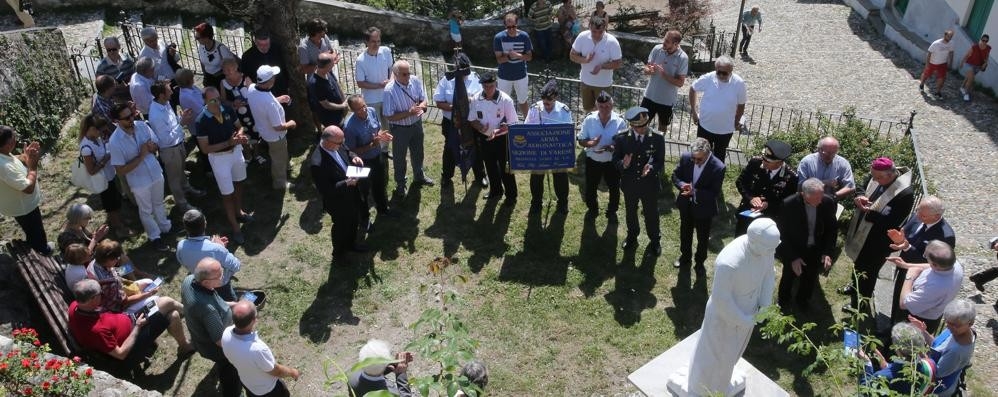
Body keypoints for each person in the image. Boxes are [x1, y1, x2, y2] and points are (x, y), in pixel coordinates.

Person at [680, 219, 780, 396]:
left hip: (748, 312)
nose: (772, 252)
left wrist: (765, 306)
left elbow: (768, 275)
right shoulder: (729, 262)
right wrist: (744, 320)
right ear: (754, 242)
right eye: (769, 248)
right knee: (711, 355)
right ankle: (698, 389)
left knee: (731, 354)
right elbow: (721, 299)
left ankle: (720, 385)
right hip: (724, 316)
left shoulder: (766, 248)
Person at [842, 157, 915, 313]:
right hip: (863, 231)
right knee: (858, 265)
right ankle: (854, 286)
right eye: (873, 176)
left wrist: (870, 212)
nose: (874, 180)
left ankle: (860, 305)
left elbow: (893, 221)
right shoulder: (877, 174)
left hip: (878, 242)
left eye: (878, 178)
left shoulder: (905, 193)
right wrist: (860, 196)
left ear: (891, 175)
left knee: (868, 272)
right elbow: (863, 184)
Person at [68, 279, 193, 363]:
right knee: (167, 302)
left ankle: (184, 346)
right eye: (101, 293)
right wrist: (138, 326)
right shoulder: (96, 331)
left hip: (131, 319)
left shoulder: (75, 305)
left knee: (173, 315)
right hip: (133, 341)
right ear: (93, 298)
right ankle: (194, 314)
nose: (103, 295)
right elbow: (121, 354)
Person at [107, 103, 173, 251]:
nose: (131, 119)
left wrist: (153, 147)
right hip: (139, 181)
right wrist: (142, 155)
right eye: (126, 118)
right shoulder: (115, 142)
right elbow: (121, 170)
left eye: (131, 115)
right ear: (116, 121)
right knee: (146, 210)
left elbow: (156, 144)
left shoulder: (142, 126)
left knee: (159, 202)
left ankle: (165, 226)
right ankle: (155, 236)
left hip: (155, 172)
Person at [196, 87, 253, 243]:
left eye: (218, 99)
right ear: (205, 101)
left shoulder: (227, 108)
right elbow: (205, 148)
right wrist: (228, 143)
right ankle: (235, 227)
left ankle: (239, 212)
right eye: (212, 100)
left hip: (235, 152)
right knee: (227, 194)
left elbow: (239, 126)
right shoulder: (201, 120)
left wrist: (239, 135)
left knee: (240, 182)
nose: (216, 103)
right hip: (219, 159)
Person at [887, 196, 956, 323]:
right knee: (897, 298)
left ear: (936, 216)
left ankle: (897, 334)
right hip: (904, 267)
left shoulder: (946, 237)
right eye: (918, 211)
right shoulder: (917, 216)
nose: (918, 216)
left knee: (907, 310)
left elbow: (932, 264)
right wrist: (900, 241)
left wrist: (907, 247)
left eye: (923, 215)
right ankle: (891, 326)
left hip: (920, 278)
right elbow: (905, 235)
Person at [182, 257, 242, 397]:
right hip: (217, 350)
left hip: (198, 335)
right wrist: (241, 345)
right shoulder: (208, 310)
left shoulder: (188, 280)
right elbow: (220, 341)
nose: (223, 276)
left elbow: (216, 300)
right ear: (207, 282)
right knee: (229, 374)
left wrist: (234, 305)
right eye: (219, 275)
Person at [775, 178, 837, 312]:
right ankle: (783, 300)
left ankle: (803, 300)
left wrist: (827, 252)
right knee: (788, 276)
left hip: (815, 249)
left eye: (821, 196)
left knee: (810, 277)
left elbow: (832, 230)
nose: (820, 201)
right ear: (803, 194)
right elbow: (781, 234)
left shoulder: (827, 202)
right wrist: (792, 257)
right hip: (794, 248)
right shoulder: (788, 205)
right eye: (816, 198)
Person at [612, 107, 665, 255]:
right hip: (630, 184)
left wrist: (652, 168)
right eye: (639, 126)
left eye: (645, 124)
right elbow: (615, 159)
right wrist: (624, 164)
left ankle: (655, 240)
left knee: (651, 214)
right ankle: (632, 236)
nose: (643, 128)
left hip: (649, 185)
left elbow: (660, 161)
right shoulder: (621, 138)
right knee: (630, 212)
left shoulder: (658, 138)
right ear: (632, 125)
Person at [221, 300, 301, 397]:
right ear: (254, 321)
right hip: (267, 390)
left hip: (248, 384)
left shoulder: (226, 333)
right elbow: (276, 370)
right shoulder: (257, 349)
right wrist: (292, 372)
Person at [671, 138, 726, 277]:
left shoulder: (718, 167)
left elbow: (714, 192)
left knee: (702, 237)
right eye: (693, 158)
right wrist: (682, 185)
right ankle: (685, 257)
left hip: (704, 209)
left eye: (699, 159)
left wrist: (695, 192)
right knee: (685, 231)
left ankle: (700, 262)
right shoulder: (686, 157)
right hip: (685, 204)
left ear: (708, 154)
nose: (695, 161)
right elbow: (675, 175)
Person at [310, 126, 366, 259]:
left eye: (342, 141)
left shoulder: (337, 142)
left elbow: (347, 151)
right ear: (327, 142)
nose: (342, 144)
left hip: (352, 193)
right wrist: (346, 183)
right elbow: (326, 190)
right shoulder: (317, 163)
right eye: (339, 143)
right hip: (338, 202)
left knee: (353, 221)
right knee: (341, 228)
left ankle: (351, 244)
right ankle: (339, 255)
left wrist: (355, 156)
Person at [148, 80, 204, 212]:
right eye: (169, 90)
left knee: (181, 171)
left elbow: (172, 125)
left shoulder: (165, 103)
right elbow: (166, 138)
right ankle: (182, 203)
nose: (172, 91)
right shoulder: (156, 115)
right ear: (162, 95)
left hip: (178, 144)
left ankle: (186, 187)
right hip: (169, 149)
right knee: (174, 178)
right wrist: (182, 123)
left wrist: (181, 119)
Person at [433, 53, 486, 188]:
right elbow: (439, 102)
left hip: (470, 121)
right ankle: (446, 176)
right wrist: (455, 107)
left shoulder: (475, 78)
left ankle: (481, 175)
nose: (464, 75)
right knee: (450, 147)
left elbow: (482, 99)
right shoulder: (446, 80)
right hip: (451, 121)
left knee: (475, 147)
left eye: (465, 71)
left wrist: (469, 102)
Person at [887, 240, 963, 333]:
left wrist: (909, 277)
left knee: (899, 344)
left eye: (926, 257)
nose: (926, 259)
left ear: (935, 265)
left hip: (917, 321)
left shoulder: (936, 287)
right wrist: (907, 265)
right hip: (925, 310)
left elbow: (904, 304)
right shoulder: (953, 264)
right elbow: (932, 266)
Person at [176, 209, 249, 303]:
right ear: (205, 223)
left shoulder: (181, 245)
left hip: (198, 282)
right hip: (220, 286)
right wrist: (221, 248)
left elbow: (182, 261)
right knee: (229, 308)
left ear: (185, 227)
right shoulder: (216, 249)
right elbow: (236, 266)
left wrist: (214, 247)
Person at [383, 60, 434, 195]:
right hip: (400, 129)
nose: (407, 77)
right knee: (399, 158)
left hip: (416, 125)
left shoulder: (415, 81)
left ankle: (419, 175)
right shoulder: (389, 90)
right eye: (404, 74)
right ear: (395, 74)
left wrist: (422, 106)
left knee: (418, 152)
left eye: (409, 73)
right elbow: (389, 116)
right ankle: (401, 183)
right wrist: (409, 112)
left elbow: (424, 99)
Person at [468, 72, 519, 205]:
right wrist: (479, 127)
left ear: (496, 84)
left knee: (505, 167)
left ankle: (511, 196)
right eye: (485, 86)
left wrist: (498, 131)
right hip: (484, 137)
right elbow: (472, 119)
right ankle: (495, 191)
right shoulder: (476, 99)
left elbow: (513, 123)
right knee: (489, 165)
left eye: (491, 86)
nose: (488, 89)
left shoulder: (506, 100)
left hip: (502, 138)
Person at [77, 115, 131, 237]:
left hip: (110, 175)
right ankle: (118, 228)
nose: (101, 133)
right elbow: (91, 170)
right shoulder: (86, 148)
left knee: (116, 199)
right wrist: (105, 159)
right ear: (91, 129)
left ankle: (120, 220)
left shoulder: (96, 138)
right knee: (110, 204)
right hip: (103, 180)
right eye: (99, 130)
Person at [910, 299, 977, 397]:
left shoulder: (956, 351)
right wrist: (923, 332)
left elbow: (935, 373)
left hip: (937, 388)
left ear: (970, 323)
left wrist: (918, 350)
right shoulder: (958, 330)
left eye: (955, 325)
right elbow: (937, 344)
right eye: (948, 322)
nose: (949, 327)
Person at [525, 80, 573, 214]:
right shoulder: (535, 108)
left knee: (560, 176)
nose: (546, 106)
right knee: (536, 177)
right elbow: (527, 128)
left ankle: (563, 202)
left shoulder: (564, 110)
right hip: (539, 150)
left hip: (557, 150)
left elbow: (568, 133)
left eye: (549, 103)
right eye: (544, 102)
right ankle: (536, 202)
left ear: (555, 98)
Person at [577, 91, 626, 222]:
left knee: (614, 187)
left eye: (607, 106)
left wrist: (612, 148)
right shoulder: (589, 120)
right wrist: (591, 143)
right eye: (601, 106)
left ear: (612, 105)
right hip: (593, 160)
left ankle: (612, 210)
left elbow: (624, 146)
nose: (604, 109)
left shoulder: (620, 122)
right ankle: (592, 209)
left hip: (612, 161)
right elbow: (581, 140)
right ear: (596, 106)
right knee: (591, 186)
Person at [1, 126, 50, 255]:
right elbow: (28, 188)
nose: (15, 140)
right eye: (13, 138)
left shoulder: (3, 154)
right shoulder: (4, 167)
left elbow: (12, 158)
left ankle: (37, 245)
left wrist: (25, 156)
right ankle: (43, 251)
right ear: (8, 143)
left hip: (20, 204)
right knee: (36, 231)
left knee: (32, 230)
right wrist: (33, 167)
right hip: (24, 207)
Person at [247, 65, 296, 190]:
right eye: (273, 77)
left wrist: (279, 99)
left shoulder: (252, 88)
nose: (274, 78)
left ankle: (286, 165)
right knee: (277, 158)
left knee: (281, 152)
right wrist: (291, 123)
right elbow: (278, 127)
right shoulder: (270, 103)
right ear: (270, 81)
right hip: (275, 136)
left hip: (264, 130)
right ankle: (280, 183)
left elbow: (263, 103)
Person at [733, 140, 798, 236]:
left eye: (768, 161)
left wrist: (768, 204)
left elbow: (787, 201)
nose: (763, 162)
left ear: (779, 163)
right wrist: (750, 198)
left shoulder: (791, 177)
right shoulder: (755, 163)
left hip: (770, 219)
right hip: (748, 212)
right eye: (763, 158)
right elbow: (741, 182)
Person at [688, 56, 746, 164]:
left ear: (731, 71)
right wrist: (694, 112)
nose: (721, 75)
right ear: (716, 69)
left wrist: (737, 121)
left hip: (725, 129)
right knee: (700, 154)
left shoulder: (739, 83)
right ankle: (697, 176)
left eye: (725, 73)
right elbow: (693, 88)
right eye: (719, 72)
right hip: (705, 125)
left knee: (719, 157)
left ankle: (715, 179)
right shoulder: (708, 78)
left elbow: (741, 105)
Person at [344, 95, 393, 218]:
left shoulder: (371, 111)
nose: (364, 110)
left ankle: (382, 209)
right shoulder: (350, 127)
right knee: (363, 190)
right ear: (352, 111)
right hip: (362, 162)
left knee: (380, 183)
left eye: (364, 105)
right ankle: (364, 218)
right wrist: (372, 145)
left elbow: (377, 130)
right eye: (359, 109)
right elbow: (351, 151)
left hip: (377, 155)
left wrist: (382, 136)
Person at [858, 322, 936, 395]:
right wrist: (888, 366)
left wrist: (867, 363)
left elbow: (866, 391)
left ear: (897, 348)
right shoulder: (931, 365)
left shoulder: (882, 377)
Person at [570, 16, 622, 113]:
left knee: (603, 112)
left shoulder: (612, 42)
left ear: (605, 29)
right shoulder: (582, 37)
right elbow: (572, 55)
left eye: (600, 32)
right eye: (594, 32)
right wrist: (585, 60)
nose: (597, 35)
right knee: (588, 110)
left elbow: (618, 63)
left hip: (603, 84)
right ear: (589, 27)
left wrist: (602, 66)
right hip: (586, 82)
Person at [219, 58, 265, 166]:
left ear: (236, 67)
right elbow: (223, 100)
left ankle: (257, 154)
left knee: (255, 132)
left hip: (250, 111)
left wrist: (246, 101)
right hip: (236, 114)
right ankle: (248, 156)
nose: (228, 71)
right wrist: (233, 104)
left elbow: (254, 93)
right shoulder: (223, 82)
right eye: (225, 70)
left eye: (230, 68)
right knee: (241, 133)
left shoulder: (245, 78)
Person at [640, 30, 688, 130]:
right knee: (641, 124)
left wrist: (665, 75)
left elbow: (680, 83)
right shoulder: (657, 49)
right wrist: (649, 70)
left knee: (662, 128)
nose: (663, 42)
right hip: (649, 96)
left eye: (667, 41)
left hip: (666, 101)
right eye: (664, 39)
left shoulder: (682, 58)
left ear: (675, 44)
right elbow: (646, 69)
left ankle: (658, 145)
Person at [494, 13, 533, 117]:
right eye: (508, 27)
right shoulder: (499, 38)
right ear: (505, 26)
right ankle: (504, 126)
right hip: (504, 77)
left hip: (521, 76)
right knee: (502, 103)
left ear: (517, 24)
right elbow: (499, 60)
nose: (511, 29)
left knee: (523, 101)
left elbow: (529, 57)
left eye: (513, 26)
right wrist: (509, 57)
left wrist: (517, 55)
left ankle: (528, 124)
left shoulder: (524, 36)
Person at [796, 136, 856, 201]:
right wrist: (823, 182)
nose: (830, 156)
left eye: (833, 153)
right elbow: (800, 186)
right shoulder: (807, 162)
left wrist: (833, 196)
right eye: (827, 153)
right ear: (819, 149)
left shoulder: (843, 163)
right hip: (808, 202)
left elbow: (850, 187)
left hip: (831, 202)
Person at [356, 27, 394, 129]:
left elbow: (392, 69)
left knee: (388, 125)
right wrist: (379, 85)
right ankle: (378, 145)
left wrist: (390, 80)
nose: (376, 44)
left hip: (386, 96)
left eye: (378, 41)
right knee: (375, 126)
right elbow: (360, 83)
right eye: (373, 41)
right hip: (371, 99)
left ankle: (385, 145)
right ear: (366, 42)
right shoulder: (360, 60)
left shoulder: (386, 51)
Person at [347, 339, 413, 396]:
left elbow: (372, 372)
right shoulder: (391, 393)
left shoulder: (351, 377)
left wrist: (392, 366)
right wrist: (401, 375)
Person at [241, 30, 290, 98]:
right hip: (260, 93)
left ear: (270, 41)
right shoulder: (247, 56)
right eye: (260, 45)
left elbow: (283, 68)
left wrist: (287, 86)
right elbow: (247, 77)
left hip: (279, 88)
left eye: (267, 44)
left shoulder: (277, 49)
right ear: (255, 42)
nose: (264, 47)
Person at [307, 53, 347, 128]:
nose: (334, 65)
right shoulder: (315, 83)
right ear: (326, 66)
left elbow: (337, 85)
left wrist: (344, 101)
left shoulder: (328, 72)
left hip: (340, 112)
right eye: (332, 64)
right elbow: (326, 104)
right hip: (330, 118)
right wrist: (342, 106)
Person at [194, 22, 236, 90]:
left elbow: (233, 66)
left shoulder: (221, 49)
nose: (196, 39)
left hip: (220, 80)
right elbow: (202, 62)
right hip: (208, 78)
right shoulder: (201, 46)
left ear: (206, 38)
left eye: (198, 37)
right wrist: (205, 75)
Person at [919, 30, 955, 97]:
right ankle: (921, 84)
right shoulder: (936, 43)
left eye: (951, 37)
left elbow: (951, 52)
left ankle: (938, 92)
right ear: (945, 35)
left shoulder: (951, 43)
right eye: (948, 36)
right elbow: (929, 53)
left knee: (942, 78)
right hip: (933, 63)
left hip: (943, 64)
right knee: (926, 75)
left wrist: (951, 63)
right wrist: (927, 64)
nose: (949, 38)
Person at [960, 34, 990, 102]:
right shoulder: (975, 47)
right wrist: (962, 62)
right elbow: (967, 54)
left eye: (986, 41)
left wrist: (985, 63)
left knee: (968, 77)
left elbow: (987, 57)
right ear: (981, 39)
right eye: (983, 40)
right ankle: (966, 94)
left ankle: (962, 87)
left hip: (978, 66)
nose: (984, 42)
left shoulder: (988, 48)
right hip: (969, 64)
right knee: (971, 79)